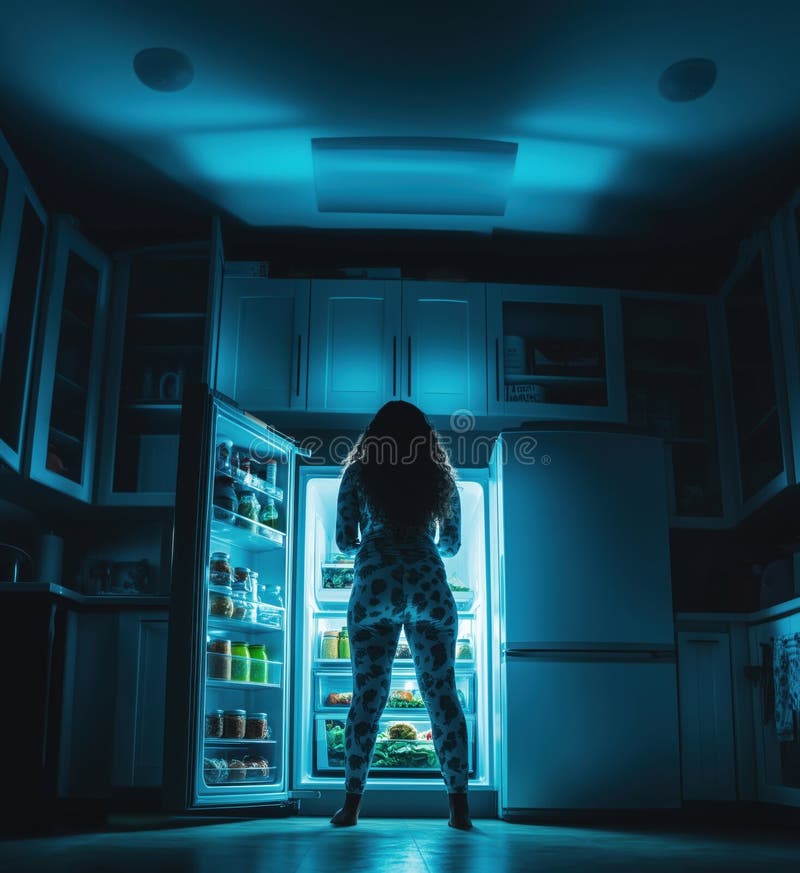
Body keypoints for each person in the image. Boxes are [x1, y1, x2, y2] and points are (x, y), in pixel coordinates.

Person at [329, 400, 471, 830]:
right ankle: (459, 809)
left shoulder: (358, 473)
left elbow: (343, 539)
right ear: (425, 439)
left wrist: (375, 543)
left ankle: (351, 807)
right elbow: (451, 545)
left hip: (376, 587)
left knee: (368, 696)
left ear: (374, 434)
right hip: (430, 589)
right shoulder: (439, 478)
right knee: (441, 694)